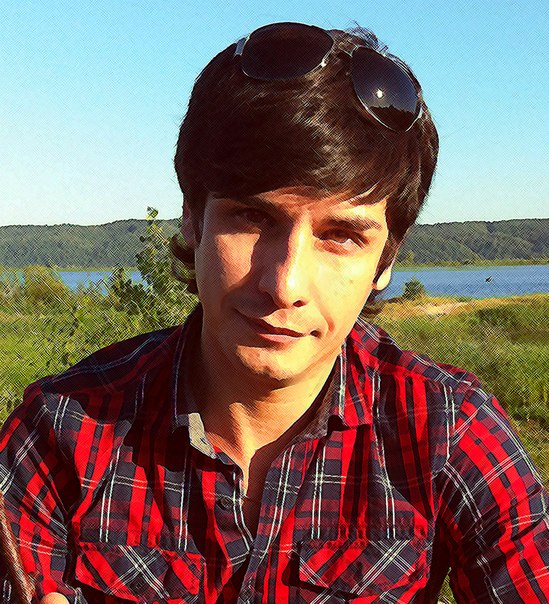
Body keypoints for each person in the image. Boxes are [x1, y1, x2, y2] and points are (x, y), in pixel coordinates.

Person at [1, 21, 547, 604]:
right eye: (253, 218)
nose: (284, 284)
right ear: (193, 219)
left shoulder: (446, 430)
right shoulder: (59, 432)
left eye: (341, 236)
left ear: (385, 260)